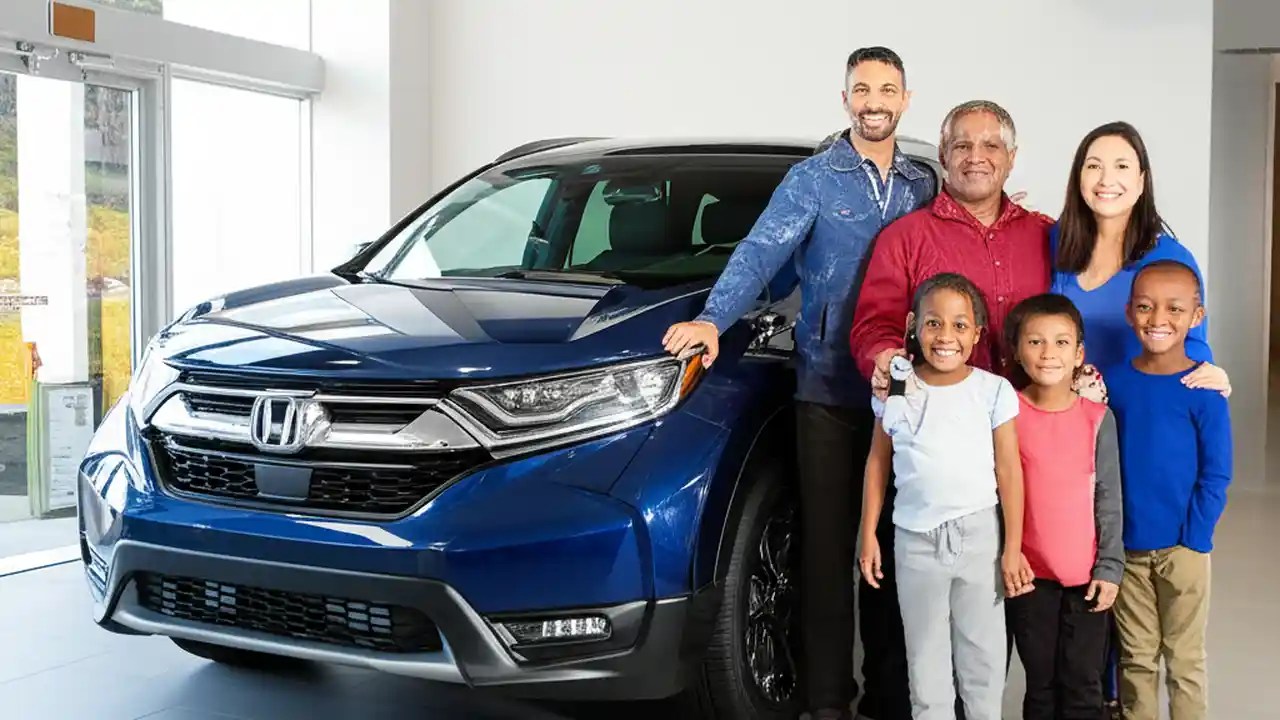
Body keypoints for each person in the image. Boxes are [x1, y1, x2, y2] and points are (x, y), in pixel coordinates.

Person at [662, 47, 935, 720]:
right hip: (829, 389)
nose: (875, 100)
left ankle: (889, 697)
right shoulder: (813, 179)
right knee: (824, 549)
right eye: (862, 88)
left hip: (905, 392)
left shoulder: (921, 183)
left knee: (895, 548)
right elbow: (761, 251)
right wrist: (713, 320)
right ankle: (825, 702)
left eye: (887, 89)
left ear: (905, 99)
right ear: (845, 99)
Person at [847, 99, 1049, 718]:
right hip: (928, 447)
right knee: (914, 632)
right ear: (942, 156)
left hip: (1021, 434)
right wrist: (886, 361)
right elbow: (874, 325)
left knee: (1003, 595)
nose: (976, 157)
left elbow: (1074, 318)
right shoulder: (906, 237)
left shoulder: (1044, 234)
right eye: (962, 145)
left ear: (1012, 158)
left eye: (991, 145)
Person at [858, 272, 1032, 720]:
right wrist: (868, 534)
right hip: (915, 541)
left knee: (984, 659)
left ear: (977, 334)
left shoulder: (993, 390)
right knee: (925, 663)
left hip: (979, 539)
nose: (946, 336)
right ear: (914, 325)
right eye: (934, 323)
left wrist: (1012, 548)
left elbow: (1009, 471)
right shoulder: (897, 389)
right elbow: (878, 462)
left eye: (960, 325)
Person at [1101, 260, 1232, 720]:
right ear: (1128, 311)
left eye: (1174, 309)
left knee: (1185, 660)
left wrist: (1194, 538)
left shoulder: (1204, 389)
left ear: (1196, 316)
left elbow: (1216, 474)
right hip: (1129, 552)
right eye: (1145, 307)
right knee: (1136, 659)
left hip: (1184, 549)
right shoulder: (1113, 383)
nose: (1158, 320)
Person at [1002, 293, 1124, 720]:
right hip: (1030, 579)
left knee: (1083, 685)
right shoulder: (1007, 413)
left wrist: (1110, 566)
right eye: (1035, 342)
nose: (1048, 352)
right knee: (1041, 685)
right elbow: (998, 492)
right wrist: (1009, 552)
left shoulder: (1097, 418)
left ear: (1079, 354)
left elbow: (1109, 497)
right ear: (1017, 350)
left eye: (1061, 342)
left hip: (1086, 579)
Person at [1050, 120, 1231, 396]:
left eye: (1121, 166)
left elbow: (1191, 342)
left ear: (1141, 181)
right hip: (1066, 416)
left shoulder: (1170, 258)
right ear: (1078, 177)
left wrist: (1207, 376)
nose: (1105, 180)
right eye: (1094, 166)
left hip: (1137, 409)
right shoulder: (1056, 241)